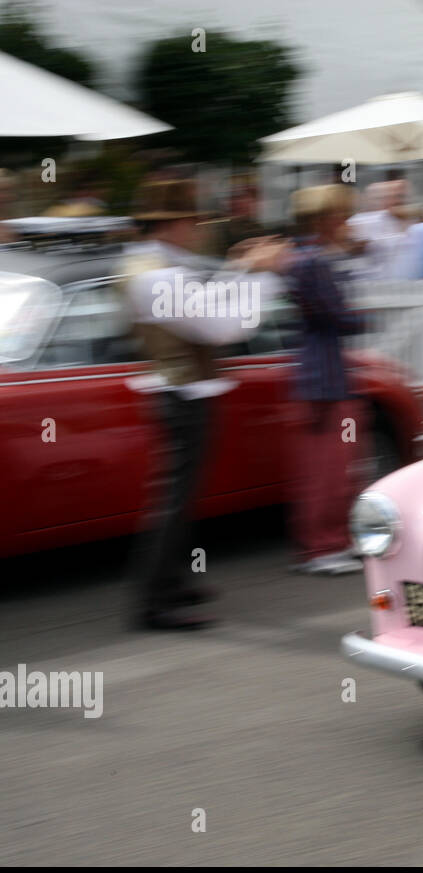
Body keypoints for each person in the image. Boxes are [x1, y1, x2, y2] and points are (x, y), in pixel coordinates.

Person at [122, 178, 287, 629]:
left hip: (179, 390)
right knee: (174, 500)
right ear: (175, 224)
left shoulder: (156, 263)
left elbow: (206, 299)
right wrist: (263, 274)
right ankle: (154, 601)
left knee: (181, 496)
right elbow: (222, 328)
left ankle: (173, 583)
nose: (197, 229)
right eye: (192, 221)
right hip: (182, 394)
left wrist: (242, 268)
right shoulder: (158, 274)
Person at [283, 185, 370, 574]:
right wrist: (358, 315)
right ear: (322, 220)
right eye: (341, 216)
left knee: (339, 463)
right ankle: (322, 546)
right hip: (324, 377)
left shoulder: (308, 258)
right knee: (329, 468)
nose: (346, 223)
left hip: (322, 373)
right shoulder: (312, 261)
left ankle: (333, 539)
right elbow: (337, 317)